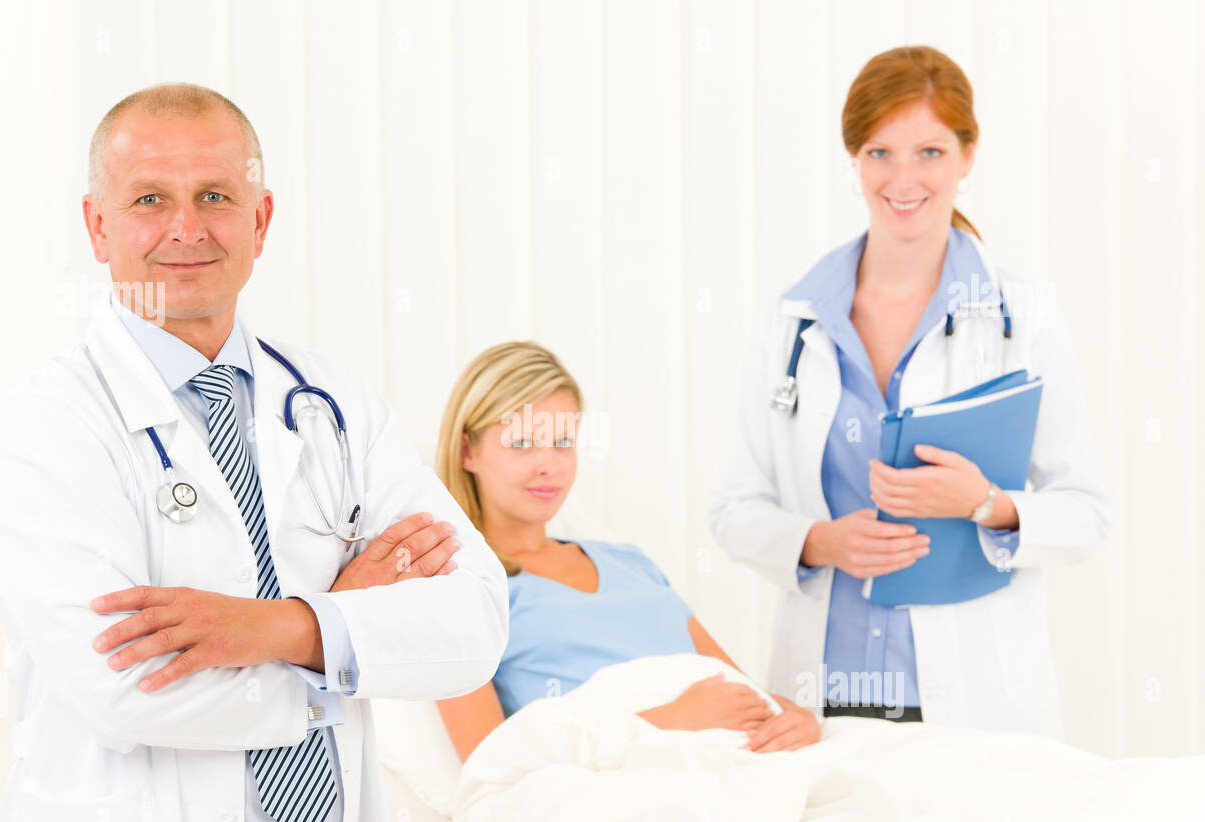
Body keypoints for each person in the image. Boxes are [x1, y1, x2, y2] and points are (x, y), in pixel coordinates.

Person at [0, 83, 508, 822]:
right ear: (97, 225)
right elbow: (124, 690)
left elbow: (477, 623)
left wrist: (275, 627)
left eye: (215, 195)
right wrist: (343, 643)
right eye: (150, 198)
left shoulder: (337, 406)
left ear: (260, 221)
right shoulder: (49, 426)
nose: (186, 228)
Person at [708, 47, 1111, 739]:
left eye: (928, 151)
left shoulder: (1025, 317)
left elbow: (1087, 515)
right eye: (878, 152)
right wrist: (819, 541)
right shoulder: (793, 320)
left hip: (974, 702)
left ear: (967, 156)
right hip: (824, 701)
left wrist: (987, 505)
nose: (902, 178)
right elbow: (732, 508)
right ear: (855, 162)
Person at [431, 342, 821, 763]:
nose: (548, 464)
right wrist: (670, 720)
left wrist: (794, 716)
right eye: (522, 443)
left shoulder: (631, 564)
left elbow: (745, 695)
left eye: (562, 442)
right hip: (626, 787)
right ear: (469, 451)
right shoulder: (461, 590)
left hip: (737, 762)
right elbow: (491, 765)